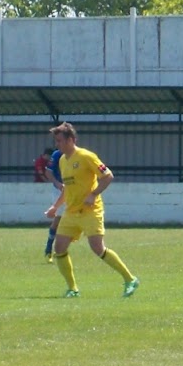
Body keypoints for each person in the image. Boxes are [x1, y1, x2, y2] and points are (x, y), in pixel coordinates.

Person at [44, 123, 139, 299]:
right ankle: (73, 289)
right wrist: (55, 207)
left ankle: (130, 279)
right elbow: (68, 188)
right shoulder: (63, 160)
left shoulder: (87, 156)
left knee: (97, 248)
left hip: (90, 210)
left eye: (59, 141)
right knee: (59, 248)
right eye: (55, 141)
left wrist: (94, 194)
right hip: (71, 212)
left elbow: (108, 176)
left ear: (71, 140)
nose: (57, 145)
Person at [42, 147, 63, 262]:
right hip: (59, 190)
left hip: (74, 190)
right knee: (59, 218)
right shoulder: (56, 155)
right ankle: (49, 249)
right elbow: (48, 172)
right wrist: (58, 183)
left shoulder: (78, 154)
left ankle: (60, 250)